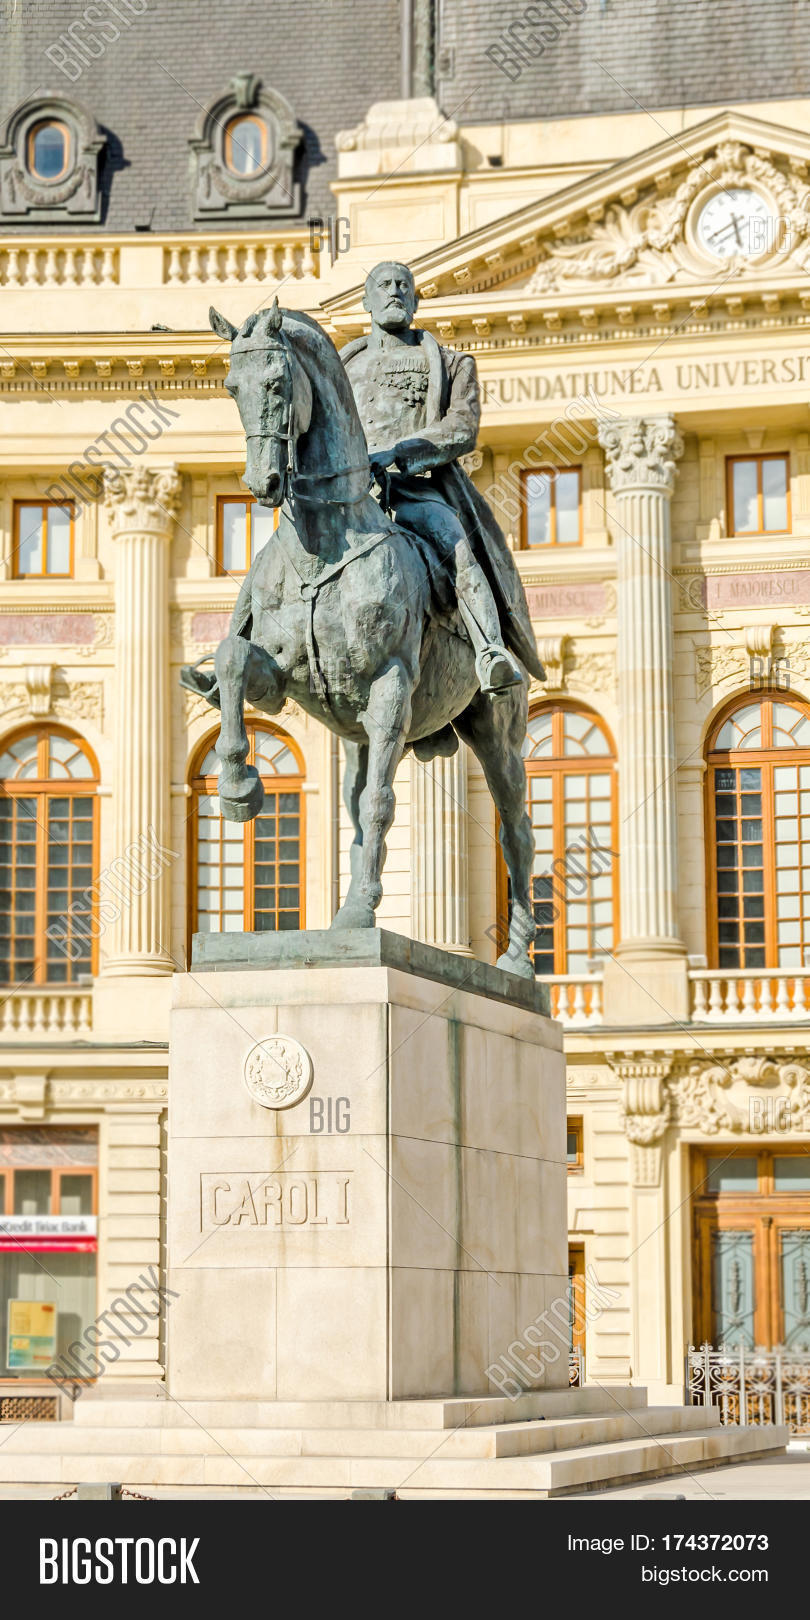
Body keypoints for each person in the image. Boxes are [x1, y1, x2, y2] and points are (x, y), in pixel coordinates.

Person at [341, 260, 544, 694]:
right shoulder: (343, 369)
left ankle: (489, 651)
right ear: (366, 300)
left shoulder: (450, 365)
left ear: (415, 301)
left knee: (459, 551)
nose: (394, 292)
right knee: (281, 557)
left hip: (414, 490)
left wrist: (398, 453)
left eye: (403, 286)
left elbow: (461, 428)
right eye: (384, 285)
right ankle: (244, 641)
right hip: (348, 498)